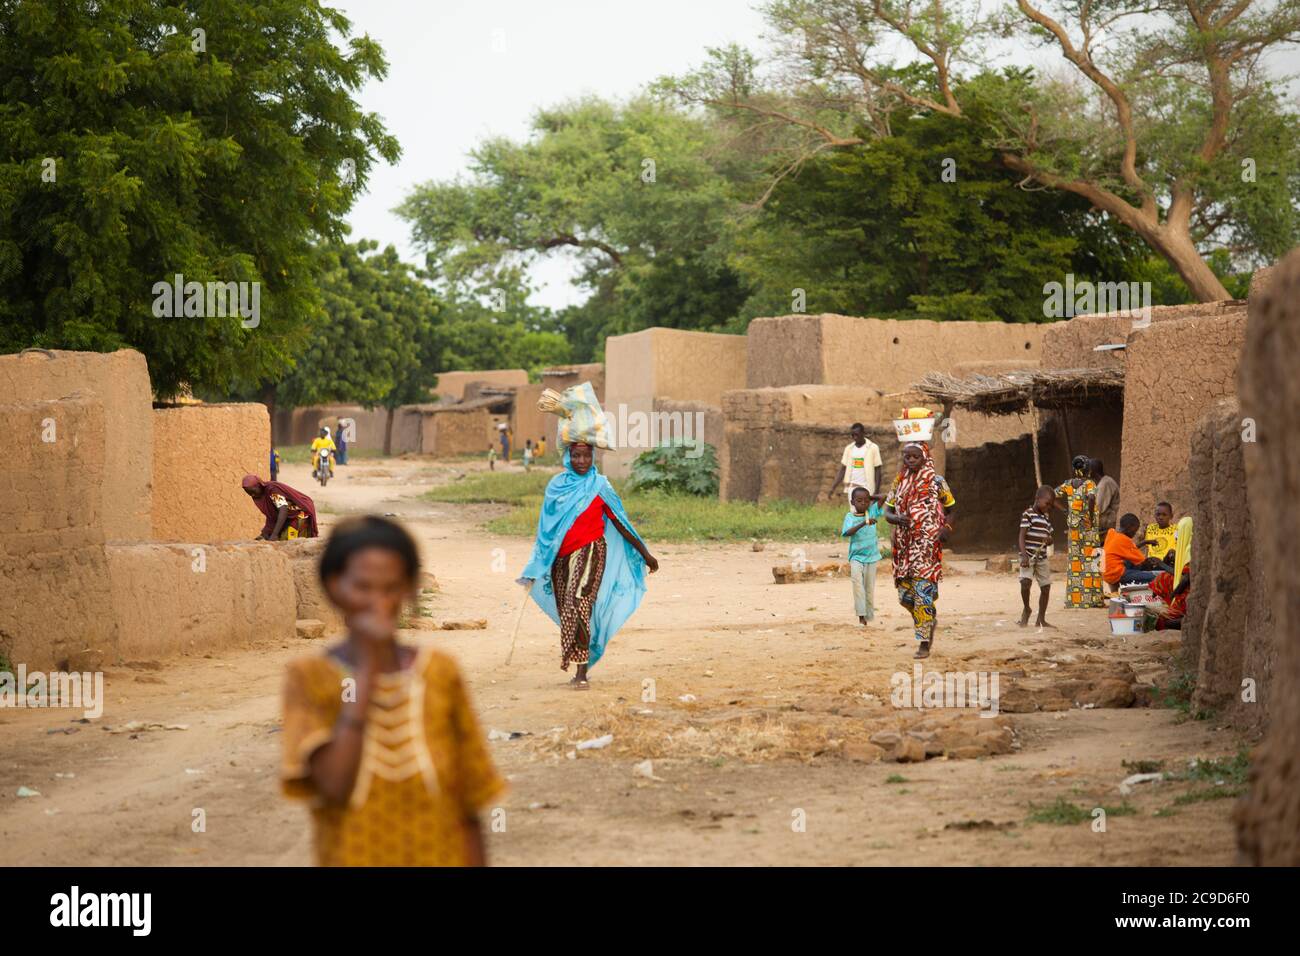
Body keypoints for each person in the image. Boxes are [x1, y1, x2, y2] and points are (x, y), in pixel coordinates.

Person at [280, 516, 504, 866]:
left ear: (410, 590)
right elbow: (333, 786)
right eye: (363, 588)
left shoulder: (440, 673)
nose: (378, 603)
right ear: (334, 586)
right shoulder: (309, 678)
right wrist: (368, 667)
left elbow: (469, 804)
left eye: (391, 589)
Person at [518, 441, 659, 688]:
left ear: (593, 457)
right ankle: (579, 661)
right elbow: (546, 530)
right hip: (559, 558)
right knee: (566, 609)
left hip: (591, 551)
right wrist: (535, 565)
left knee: (578, 602)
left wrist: (645, 553)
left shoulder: (600, 486)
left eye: (586, 456)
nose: (581, 462)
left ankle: (581, 672)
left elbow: (620, 522)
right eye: (576, 456)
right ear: (567, 457)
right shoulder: (557, 487)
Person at [883, 442, 954, 659]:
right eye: (907, 457)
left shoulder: (937, 481)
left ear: (924, 457)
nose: (911, 460)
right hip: (904, 548)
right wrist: (895, 518)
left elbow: (951, 508)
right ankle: (928, 620)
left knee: (922, 594)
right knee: (905, 597)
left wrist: (946, 528)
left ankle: (924, 643)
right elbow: (887, 509)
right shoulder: (900, 481)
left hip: (927, 546)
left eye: (915, 456)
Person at [1056, 455, 1105, 608]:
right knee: (1093, 561)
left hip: (1074, 528)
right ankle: (1094, 599)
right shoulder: (1090, 483)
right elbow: (1091, 498)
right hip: (1088, 528)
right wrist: (1089, 517)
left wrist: (1065, 511)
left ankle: (1075, 600)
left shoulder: (1068, 484)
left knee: (1076, 563)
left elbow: (1051, 495)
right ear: (1087, 469)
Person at [841, 486, 883, 626]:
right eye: (859, 500)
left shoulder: (872, 512)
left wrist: (871, 497)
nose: (863, 503)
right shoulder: (850, 517)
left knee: (869, 589)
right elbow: (847, 532)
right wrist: (864, 523)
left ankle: (868, 617)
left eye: (866, 501)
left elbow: (885, 497)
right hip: (856, 558)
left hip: (872, 557)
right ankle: (861, 617)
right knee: (858, 586)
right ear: (852, 502)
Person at [1018, 485, 1055, 628]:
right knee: (1025, 583)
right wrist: (1025, 556)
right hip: (1028, 556)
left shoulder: (1045, 518)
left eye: (1051, 505)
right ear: (1037, 499)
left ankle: (1041, 619)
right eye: (1047, 503)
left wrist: (1049, 540)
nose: (1048, 507)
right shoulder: (1028, 514)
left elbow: (1050, 536)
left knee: (1045, 588)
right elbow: (1021, 536)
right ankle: (1027, 608)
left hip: (1042, 558)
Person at [243, 474, 319, 540]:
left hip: (300, 513)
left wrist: (274, 534)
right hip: (288, 517)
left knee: (287, 539)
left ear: (259, 485)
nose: (252, 495)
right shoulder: (260, 495)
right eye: (248, 493)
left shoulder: (273, 490)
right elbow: (272, 516)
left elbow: (283, 511)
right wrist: (266, 533)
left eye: (253, 491)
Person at [1103, 513, 1169, 586]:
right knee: (1155, 577)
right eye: (1135, 530)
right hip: (1115, 575)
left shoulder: (1111, 532)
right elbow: (1144, 563)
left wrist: (1145, 542)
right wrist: (1158, 564)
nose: (1135, 533)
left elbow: (1129, 549)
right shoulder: (1125, 540)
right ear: (1130, 527)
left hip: (1106, 572)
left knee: (1133, 562)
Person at [830, 422, 884, 502]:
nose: (855, 437)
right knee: (854, 513)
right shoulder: (849, 449)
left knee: (867, 513)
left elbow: (878, 470)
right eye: (852, 435)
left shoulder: (873, 448)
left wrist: (876, 491)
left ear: (863, 433)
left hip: (867, 488)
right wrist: (833, 487)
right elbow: (843, 469)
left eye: (857, 435)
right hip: (852, 488)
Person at [1146, 564, 1191, 631]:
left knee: (1163, 621)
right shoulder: (1182, 596)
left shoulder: (1182, 599)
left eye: (1161, 594)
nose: (1162, 598)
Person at [1090, 459, 1119, 532]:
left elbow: (1098, 508)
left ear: (1092, 471)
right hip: (1110, 516)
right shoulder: (1105, 481)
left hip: (1112, 518)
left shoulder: (1104, 484)